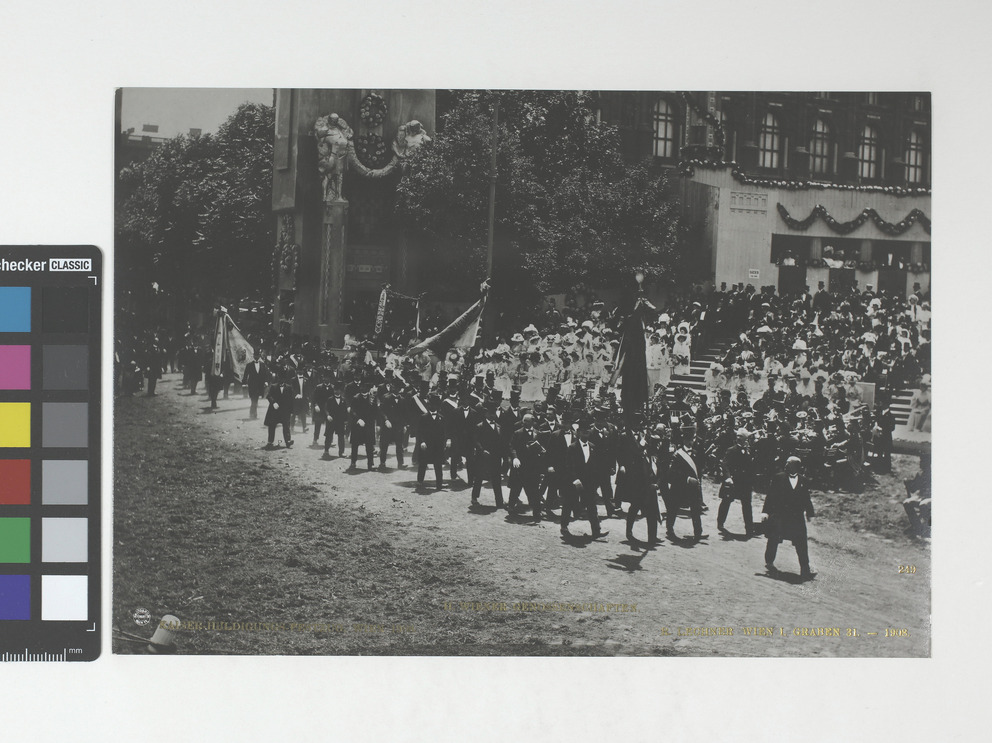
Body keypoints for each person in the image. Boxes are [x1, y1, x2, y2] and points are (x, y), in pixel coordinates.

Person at [762, 456, 815, 580]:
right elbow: (770, 496)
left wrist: (809, 512)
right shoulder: (778, 477)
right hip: (780, 515)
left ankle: (805, 567)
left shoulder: (804, 481)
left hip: (796, 517)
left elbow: (806, 498)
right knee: (773, 538)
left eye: (788, 463)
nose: (786, 465)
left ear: (795, 465)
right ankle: (769, 561)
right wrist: (765, 512)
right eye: (786, 463)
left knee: (801, 542)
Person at [663, 430, 705, 541]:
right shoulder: (677, 455)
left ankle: (698, 532)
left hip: (692, 487)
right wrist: (687, 479)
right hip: (679, 487)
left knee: (696, 509)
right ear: (683, 441)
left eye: (692, 440)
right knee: (673, 509)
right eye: (688, 440)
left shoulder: (696, 453)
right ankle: (670, 530)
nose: (690, 442)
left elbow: (699, 469)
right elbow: (672, 473)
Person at [718, 429, 756, 536]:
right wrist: (728, 477)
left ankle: (749, 528)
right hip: (734, 481)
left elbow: (751, 467)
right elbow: (725, 465)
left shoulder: (749, 451)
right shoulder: (731, 450)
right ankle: (720, 522)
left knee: (747, 505)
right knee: (726, 501)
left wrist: (752, 480)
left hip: (745, 482)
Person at [416, 394, 447, 490]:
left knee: (438, 465)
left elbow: (444, 432)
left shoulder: (442, 418)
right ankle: (420, 481)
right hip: (427, 445)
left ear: (437, 406)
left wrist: (445, 443)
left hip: (438, 446)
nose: (432, 407)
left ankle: (439, 484)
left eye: (435, 405)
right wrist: (422, 442)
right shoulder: (423, 417)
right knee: (423, 463)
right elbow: (419, 432)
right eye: (430, 405)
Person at [903, 451, 931, 536]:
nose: (921, 464)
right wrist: (909, 483)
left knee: (923, 504)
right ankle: (917, 526)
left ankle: (927, 528)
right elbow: (913, 489)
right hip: (922, 497)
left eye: (923, 462)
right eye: (921, 461)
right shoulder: (921, 474)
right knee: (907, 503)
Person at [263, 372, 294, 449]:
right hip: (275, 410)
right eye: (280, 378)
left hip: (285, 411)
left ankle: (288, 441)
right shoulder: (273, 386)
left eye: (283, 379)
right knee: (272, 425)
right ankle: (270, 442)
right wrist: (273, 403)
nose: (281, 380)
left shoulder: (289, 387)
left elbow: (291, 399)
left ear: (285, 379)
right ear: (278, 379)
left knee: (286, 426)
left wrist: (291, 411)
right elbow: (268, 396)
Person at [242, 350, 269, 420]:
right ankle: (253, 413)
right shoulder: (249, 365)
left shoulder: (262, 365)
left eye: (258, 356)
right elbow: (245, 375)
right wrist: (244, 383)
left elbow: (265, 374)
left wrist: (266, 381)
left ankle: (253, 413)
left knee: (255, 400)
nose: (257, 357)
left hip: (259, 386)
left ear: (259, 356)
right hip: (252, 385)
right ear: (253, 356)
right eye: (256, 355)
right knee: (254, 399)